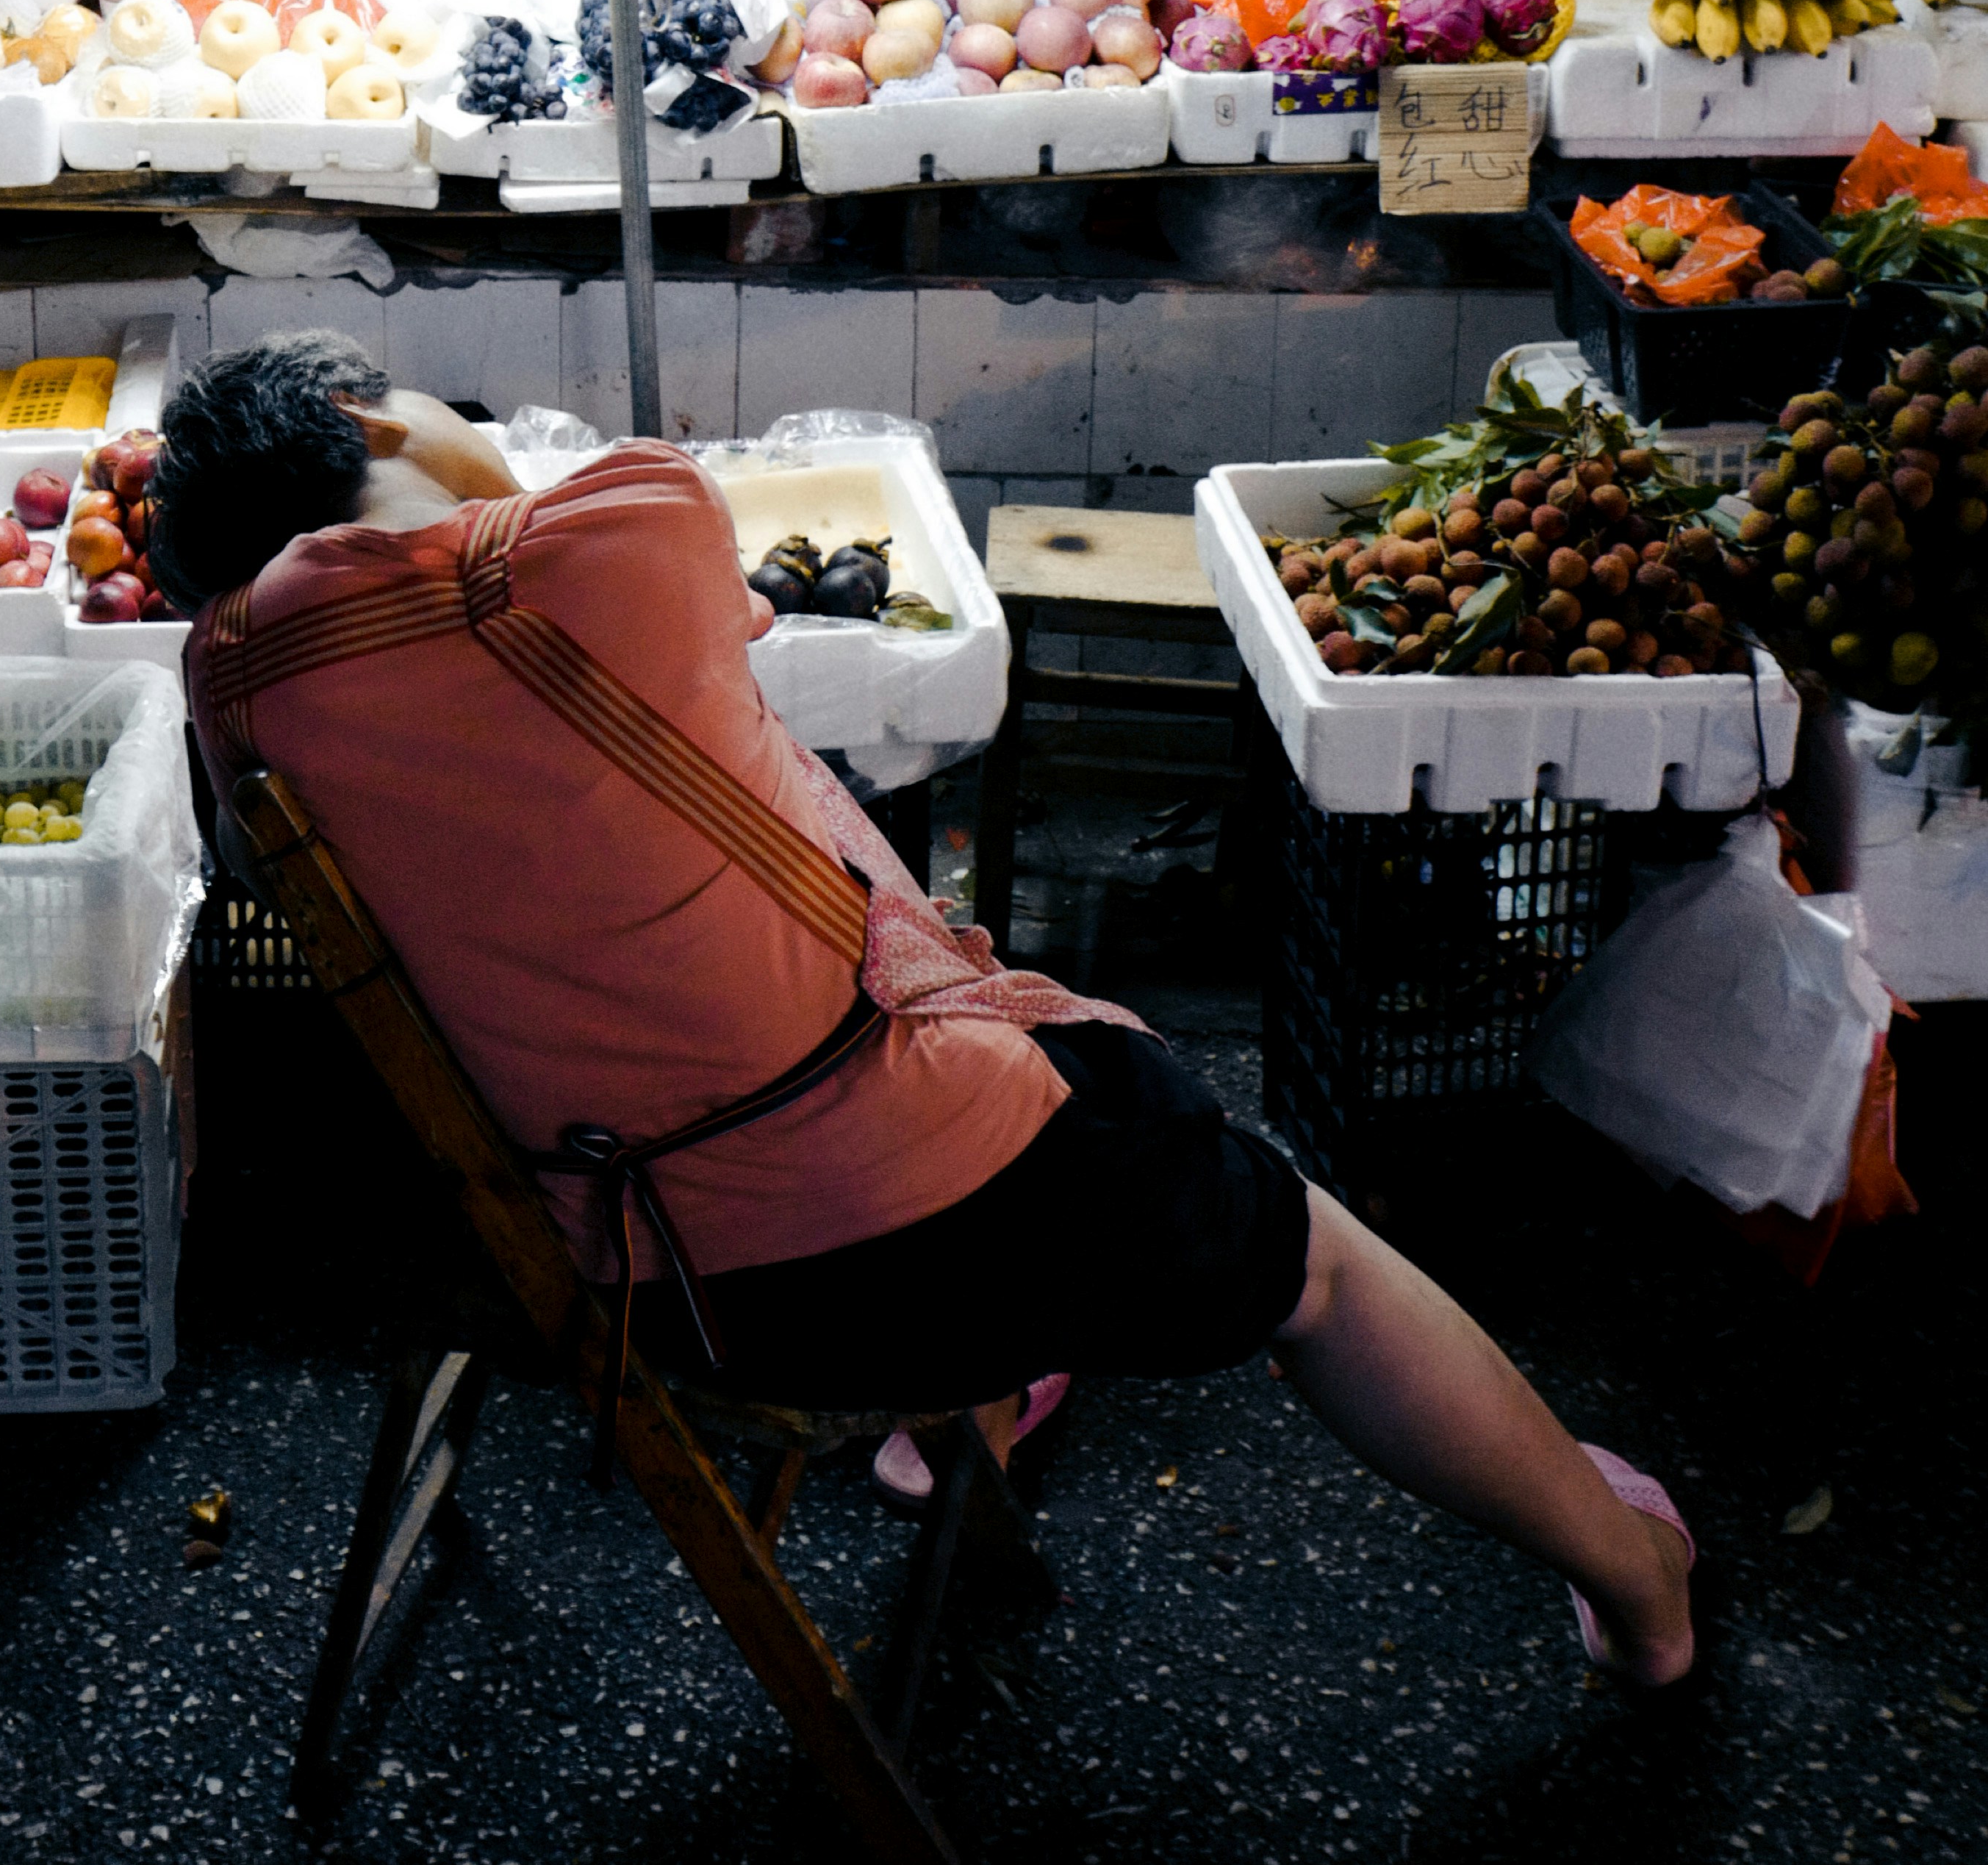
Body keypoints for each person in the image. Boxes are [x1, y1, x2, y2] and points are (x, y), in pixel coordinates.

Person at [152, 332, 1696, 1693]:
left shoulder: (231, 686)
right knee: (1322, 1267)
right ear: (368, 429)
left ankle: (1010, 1371)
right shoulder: (607, 536)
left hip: (648, 1281)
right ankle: (1637, 1592)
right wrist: (461, 452)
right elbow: (609, 522)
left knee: (920, 1006)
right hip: (912, 1230)